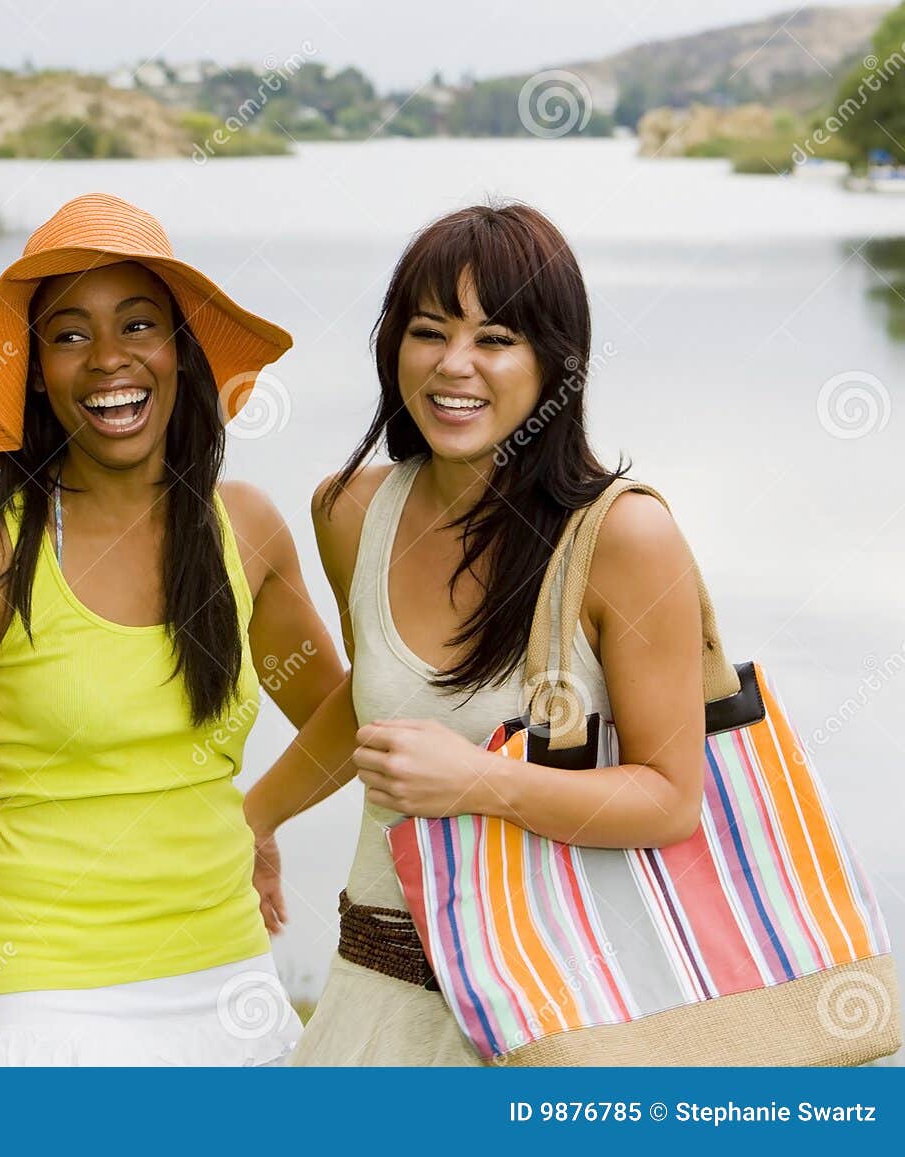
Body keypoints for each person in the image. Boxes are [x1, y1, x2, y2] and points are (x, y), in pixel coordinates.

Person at [242, 202, 706, 1065]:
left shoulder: (624, 539)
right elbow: (378, 699)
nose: (455, 364)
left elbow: (671, 798)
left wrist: (479, 779)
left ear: (556, 363)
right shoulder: (351, 512)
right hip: (373, 997)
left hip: (552, 1014)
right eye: (429, 331)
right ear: (393, 347)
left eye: (496, 338)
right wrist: (255, 816)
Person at [0, 193, 344, 1066]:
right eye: (68, 335)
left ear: (181, 352)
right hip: (46, 1005)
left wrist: (261, 812)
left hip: (236, 993)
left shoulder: (245, 530)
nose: (108, 361)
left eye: (138, 325)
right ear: (32, 369)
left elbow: (360, 713)